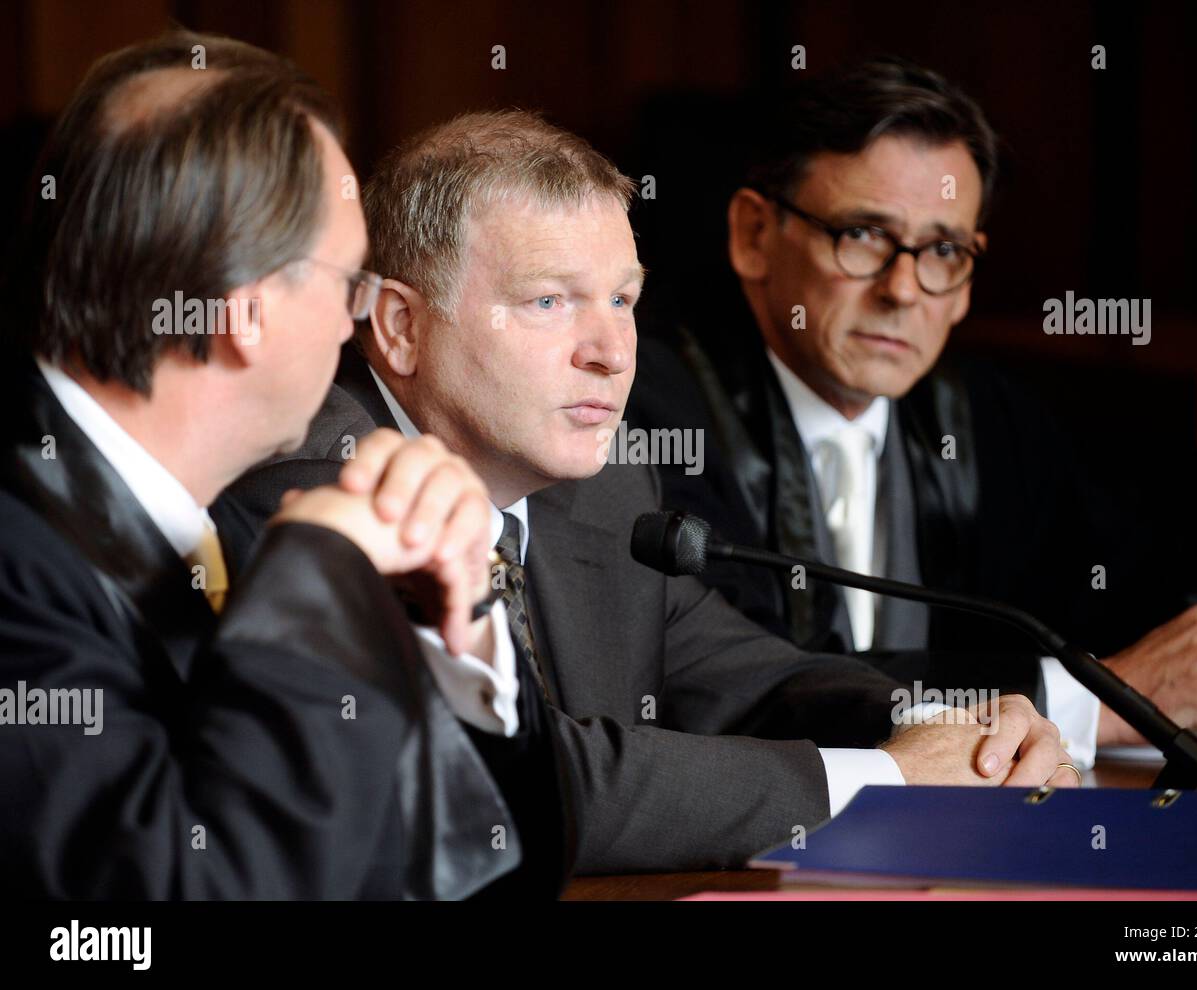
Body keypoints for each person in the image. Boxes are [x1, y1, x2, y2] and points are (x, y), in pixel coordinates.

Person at [228, 110, 1077, 877]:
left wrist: (954, 734)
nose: (611, 352)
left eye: (624, 299)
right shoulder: (322, 488)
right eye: (550, 300)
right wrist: (888, 779)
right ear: (402, 327)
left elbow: (756, 680)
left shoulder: (601, 493)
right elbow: (514, 780)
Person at [0, 32, 568, 899]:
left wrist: (458, 628)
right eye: (347, 284)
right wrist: (319, 584)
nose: (353, 326)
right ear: (248, 311)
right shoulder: (18, 556)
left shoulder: (236, 532)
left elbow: (494, 871)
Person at [623, 56, 1197, 759]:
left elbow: (1127, 577)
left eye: (942, 250)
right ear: (754, 236)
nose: (904, 290)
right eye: (861, 236)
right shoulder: (647, 416)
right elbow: (750, 685)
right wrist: (1087, 700)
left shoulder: (984, 416)